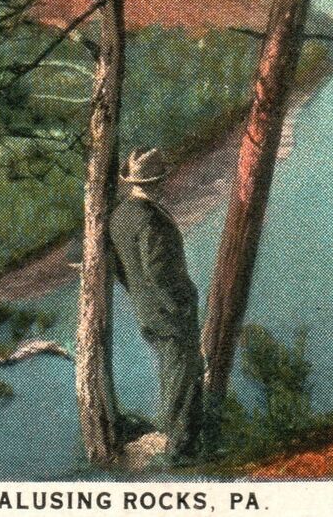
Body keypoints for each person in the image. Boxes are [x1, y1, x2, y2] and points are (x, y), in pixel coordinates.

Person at [109, 148, 204, 461]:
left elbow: (122, 269)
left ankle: (172, 441)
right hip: (169, 311)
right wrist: (183, 302)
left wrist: (139, 295)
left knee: (171, 371)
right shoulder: (149, 218)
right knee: (185, 375)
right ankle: (179, 450)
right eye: (161, 178)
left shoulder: (120, 215)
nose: (164, 183)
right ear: (154, 182)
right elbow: (160, 272)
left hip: (146, 309)